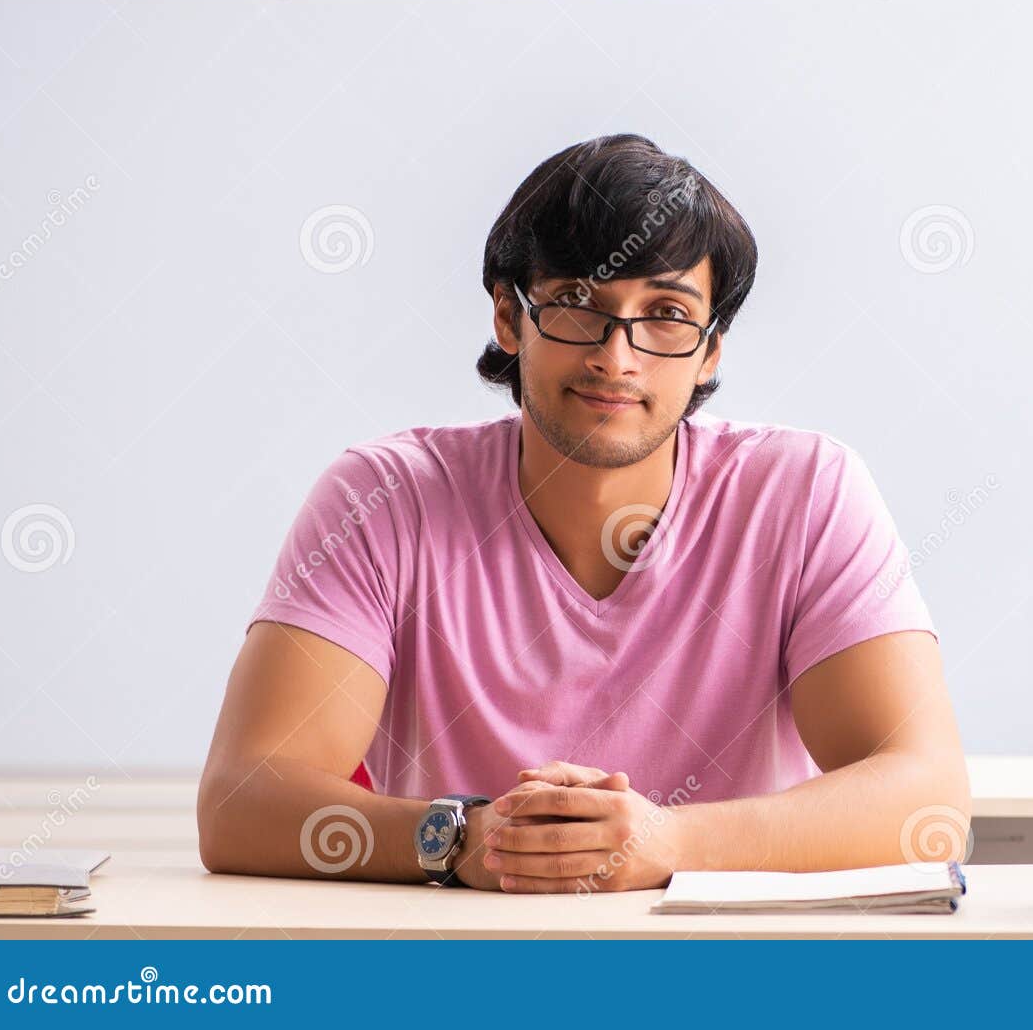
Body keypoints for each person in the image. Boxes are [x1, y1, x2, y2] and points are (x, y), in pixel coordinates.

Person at [198, 133, 969, 893]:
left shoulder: (804, 493)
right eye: (575, 303)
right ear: (509, 317)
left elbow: (926, 798)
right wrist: (464, 840)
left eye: (665, 313)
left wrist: (664, 842)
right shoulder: (386, 497)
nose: (616, 356)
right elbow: (241, 802)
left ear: (710, 351)